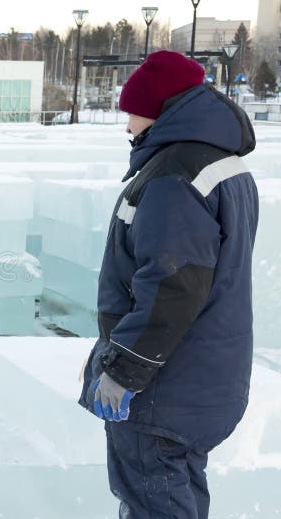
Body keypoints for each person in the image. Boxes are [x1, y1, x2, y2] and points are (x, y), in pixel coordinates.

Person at [79, 50, 258, 518]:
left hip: (163, 390)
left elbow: (172, 286)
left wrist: (124, 371)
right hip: (201, 379)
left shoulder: (173, 177)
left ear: (162, 109)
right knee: (175, 497)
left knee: (155, 502)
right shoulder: (220, 164)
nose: (127, 126)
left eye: (133, 112)